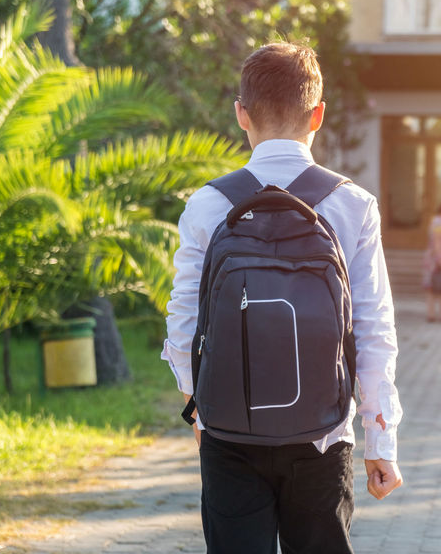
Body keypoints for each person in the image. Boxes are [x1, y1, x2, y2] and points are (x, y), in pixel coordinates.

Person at [161, 42, 403, 554]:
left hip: (230, 435)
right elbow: (373, 329)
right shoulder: (353, 205)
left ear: (241, 115)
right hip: (322, 434)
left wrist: (200, 409)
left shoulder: (208, 204)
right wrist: (381, 443)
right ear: (318, 114)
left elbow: (183, 320)